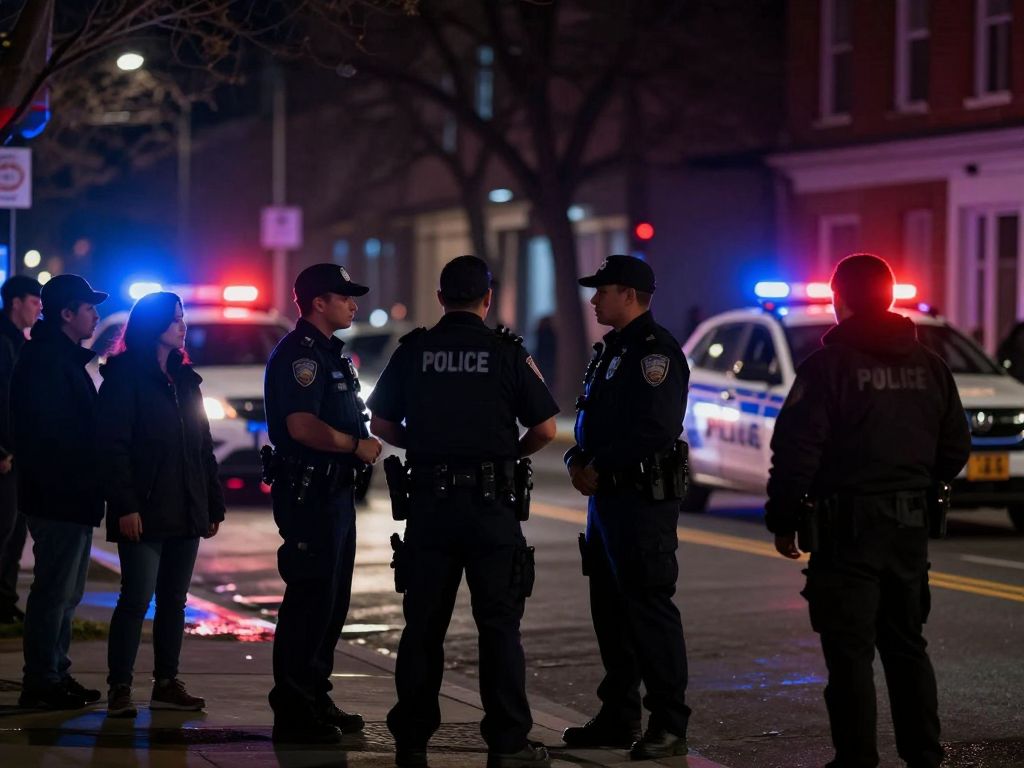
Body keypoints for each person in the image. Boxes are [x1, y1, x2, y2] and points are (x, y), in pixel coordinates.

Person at [766, 253, 971, 768]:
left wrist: (784, 517)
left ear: (842, 300)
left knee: (849, 652)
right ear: (889, 299)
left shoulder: (827, 368)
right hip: (908, 528)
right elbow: (956, 446)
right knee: (907, 647)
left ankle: (856, 760)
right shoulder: (930, 366)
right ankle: (923, 755)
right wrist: (922, 485)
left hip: (846, 529)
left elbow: (797, 450)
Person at [368, 255, 558, 768]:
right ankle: (507, 745)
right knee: (498, 627)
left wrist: (423, 445)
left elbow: (381, 422)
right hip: (492, 508)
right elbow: (545, 430)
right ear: (487, 299)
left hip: (429, 507)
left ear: (439, 297)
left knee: (423, 627)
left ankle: (411, 740)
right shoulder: (506, 352)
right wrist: (503, 455)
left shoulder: (415, 350)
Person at [562, 254, 691, 759]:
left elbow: (656, 428)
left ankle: (669, 723)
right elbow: (589, 418)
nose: (594, 298)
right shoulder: (612, 350)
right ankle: (619, 715)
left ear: (630, 295)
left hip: (639, 499)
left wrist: (599, 464)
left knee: (649, 610)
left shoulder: (654, 352)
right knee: (611, 612)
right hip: (608, 500)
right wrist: (577, 456)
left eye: (603, 290)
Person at [264, 263, 383, 744]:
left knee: (331, 602)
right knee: (310, 601)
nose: (353, 303)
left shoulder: (331, 354)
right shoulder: (302, 356)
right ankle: (294, 708)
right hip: (310, 494)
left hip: (333, 493)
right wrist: (355, 446)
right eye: (344, 296)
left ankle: (314, 694)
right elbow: (300, 425)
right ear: (317, 301)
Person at [95, 292, 226, 718]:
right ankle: (120, 686)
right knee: (136, 598)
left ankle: (167, 682)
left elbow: (202, 445)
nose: (182, 325)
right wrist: (126, 505)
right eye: (173, 320)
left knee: (174, 599)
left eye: (182, 318)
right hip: (145, 510)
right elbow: (113, 447)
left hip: (185, 506)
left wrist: (212, 503)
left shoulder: (185, 379)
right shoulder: (124, 376)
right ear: (152, 326)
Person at [11, 273, 107, 709]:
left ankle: (55, 672)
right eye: (88, 308)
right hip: (58, 494)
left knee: (67, 592)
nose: (95, 315)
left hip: (72, 494)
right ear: (67, 313)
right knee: (54, 591)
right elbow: (52, 433)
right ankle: (42, 680)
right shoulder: (48, 361)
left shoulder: (61, 358)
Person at [0, 276, 42, 624]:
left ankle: (5, 601)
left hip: (18, 453)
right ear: (15, 302)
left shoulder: (19, 342)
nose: (38, 307)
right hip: (6, 455)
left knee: (15, 532)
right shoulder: (4, 341)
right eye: (34, 300)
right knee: (5, 528)